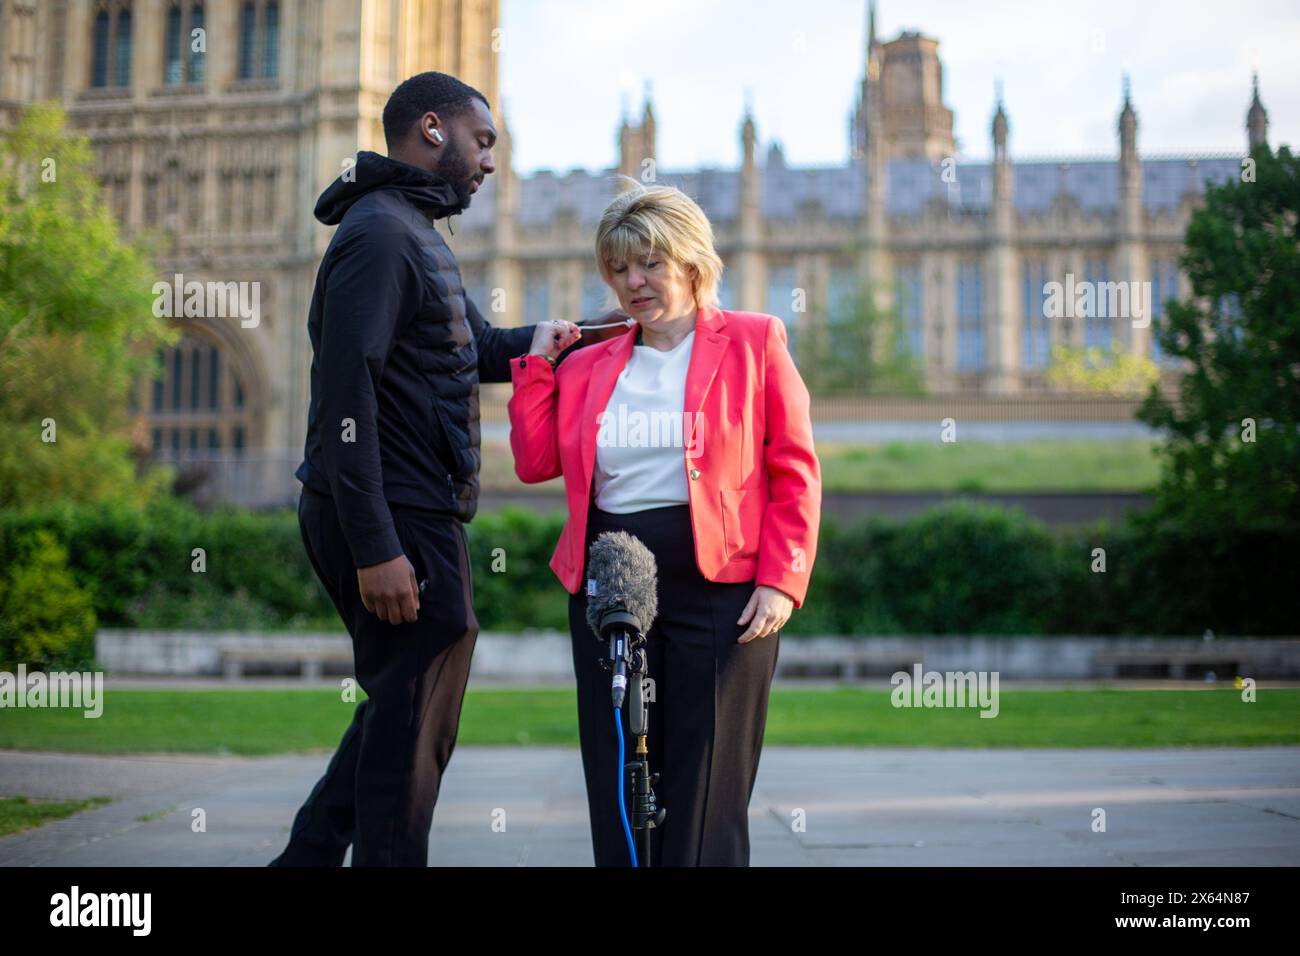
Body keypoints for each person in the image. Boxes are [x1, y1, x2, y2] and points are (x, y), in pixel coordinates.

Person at [269, 72, 580, 867]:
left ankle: (303, 859)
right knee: (415, 713)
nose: (488, 164)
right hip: (391, 510)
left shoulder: (415, 232)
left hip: (414, 506)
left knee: (404, 698)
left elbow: (470, 350)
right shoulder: (380, 234)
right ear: (433, 130)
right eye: (484, 143)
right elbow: (347, 393)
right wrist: (376, 546)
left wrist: (555, 338)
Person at [507, 179, 822, 866]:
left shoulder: (754, 341)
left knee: (707, 778)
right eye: (618, 268)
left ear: (689, 262)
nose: (633, 281)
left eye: (648, 262)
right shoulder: (591, 362)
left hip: (725, 590)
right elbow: (534, 463)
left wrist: (782, 580)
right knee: (619, 774)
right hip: (613, 589)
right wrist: (536, 365)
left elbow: (794, 469)